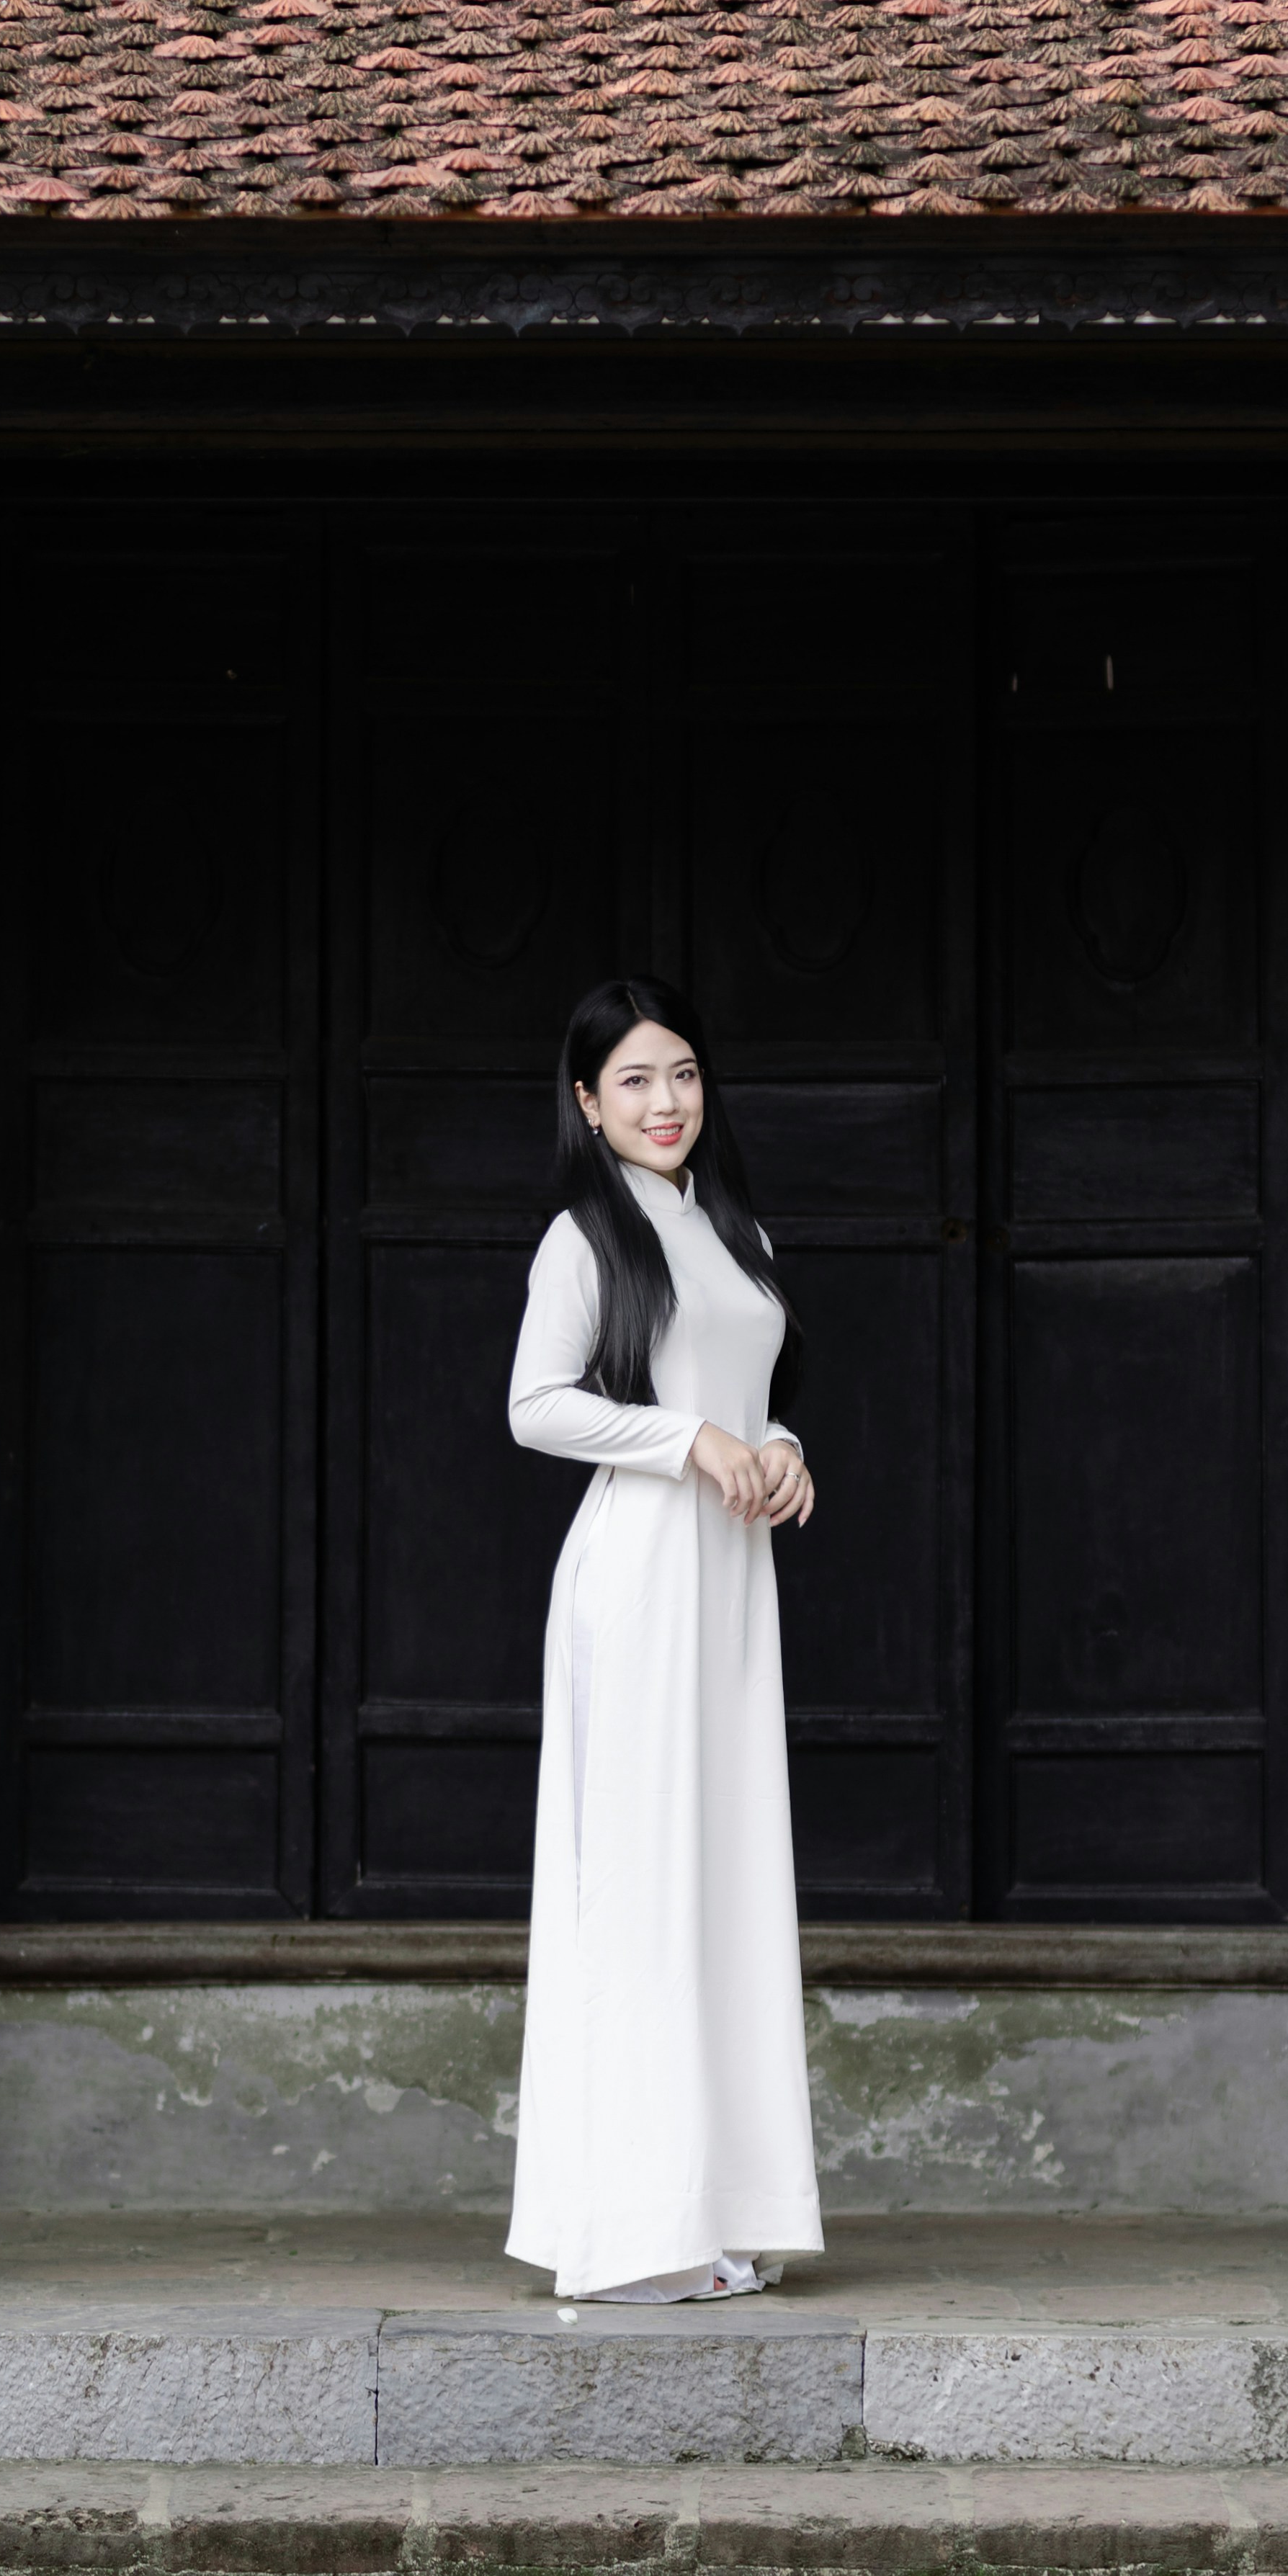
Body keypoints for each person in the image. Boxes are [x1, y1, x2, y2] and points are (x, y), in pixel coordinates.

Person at [504, 977, 824, 2304]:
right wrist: (682, 1440)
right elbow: (534, 1407)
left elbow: (757, 1381)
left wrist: (782, 1447)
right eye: (634, 1080)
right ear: (588, 1102)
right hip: (639, 1575)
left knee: (728, 1875)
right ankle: (630, 2221)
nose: (666, 1101)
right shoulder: (585, 1236)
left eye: (683, 1073)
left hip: (731, 1577)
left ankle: (717, 2208)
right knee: (642, 1884)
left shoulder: (731, 1222)